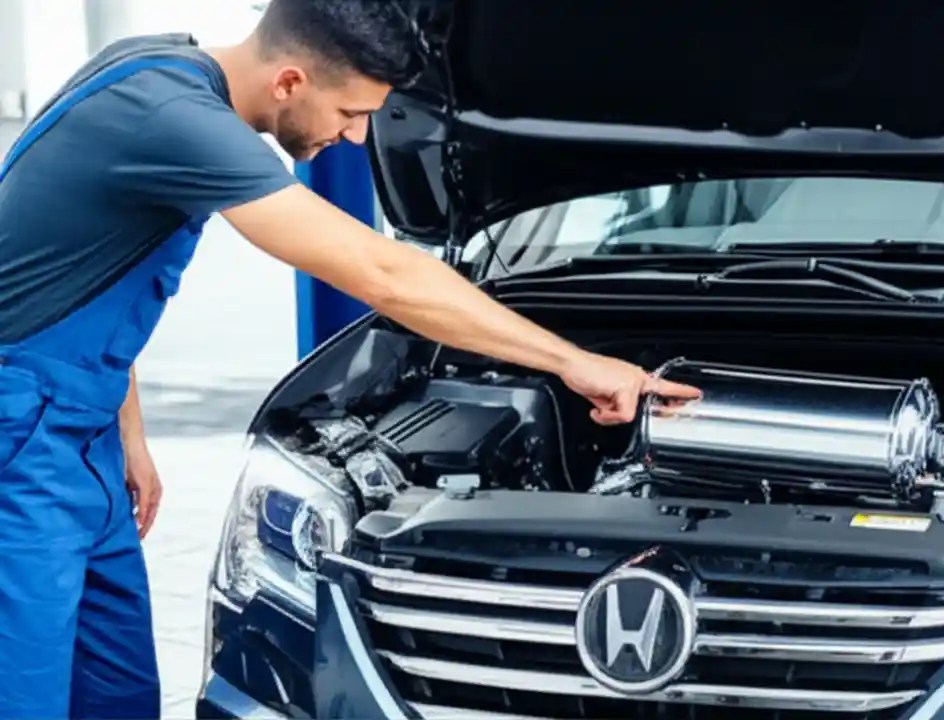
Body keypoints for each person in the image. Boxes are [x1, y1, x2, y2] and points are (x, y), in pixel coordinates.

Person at [0, 1, 701, 717]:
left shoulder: (167, 73)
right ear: (290, 82)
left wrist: (127, 432)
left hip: (77, 435)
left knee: (115, 698)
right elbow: (383, 275)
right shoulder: (174, 119)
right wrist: (573, 362)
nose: (358, 133)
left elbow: (81, 274)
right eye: (351, 110)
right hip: (19, 444)